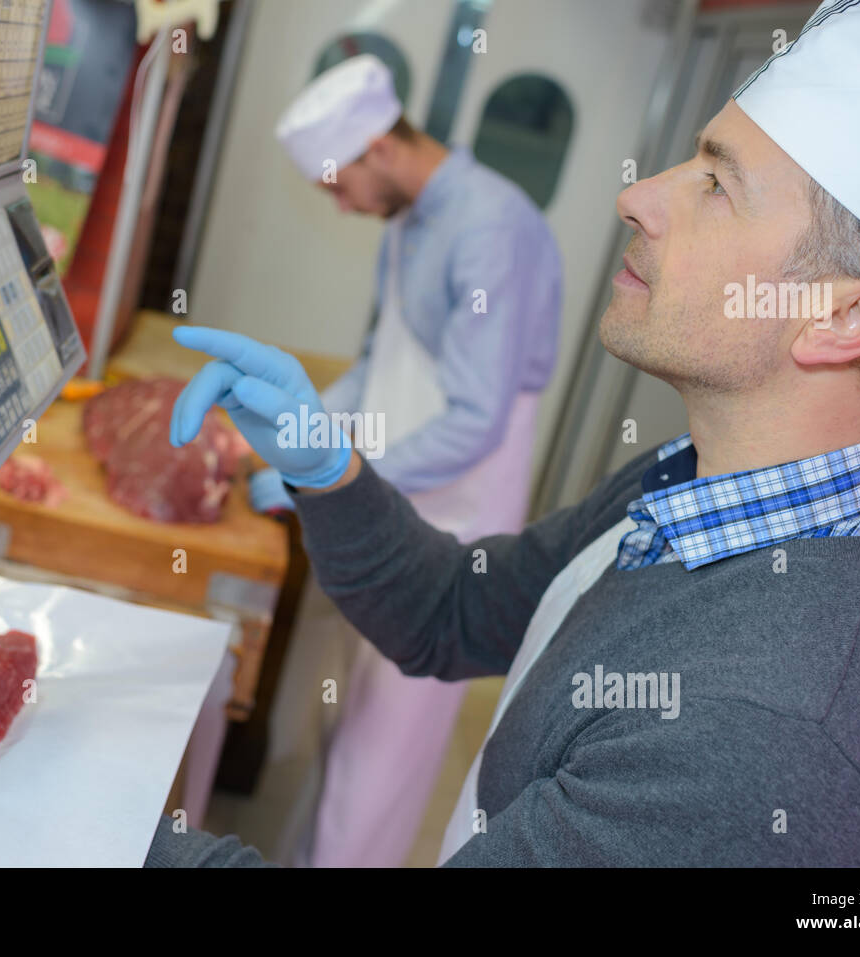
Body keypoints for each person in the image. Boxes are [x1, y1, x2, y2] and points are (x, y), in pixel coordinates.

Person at [149, 0, 860, 866]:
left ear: (844, 317)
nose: (637, 195)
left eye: (717, 187)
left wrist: (99, 828)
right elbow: (453, 610)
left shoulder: (765, 740)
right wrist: (327, 469)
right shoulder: (694, 484)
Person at [248, 54, 562, 866]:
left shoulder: (491, 224)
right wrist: (295, 430)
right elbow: (377, 362)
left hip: (453, 521)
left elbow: (473, 422)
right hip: (395, 495)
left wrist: (337, 480)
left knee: (382, 762)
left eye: (334, 183)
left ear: (378, 149)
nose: (337, 203)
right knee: (342, 728)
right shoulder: (410, 218)